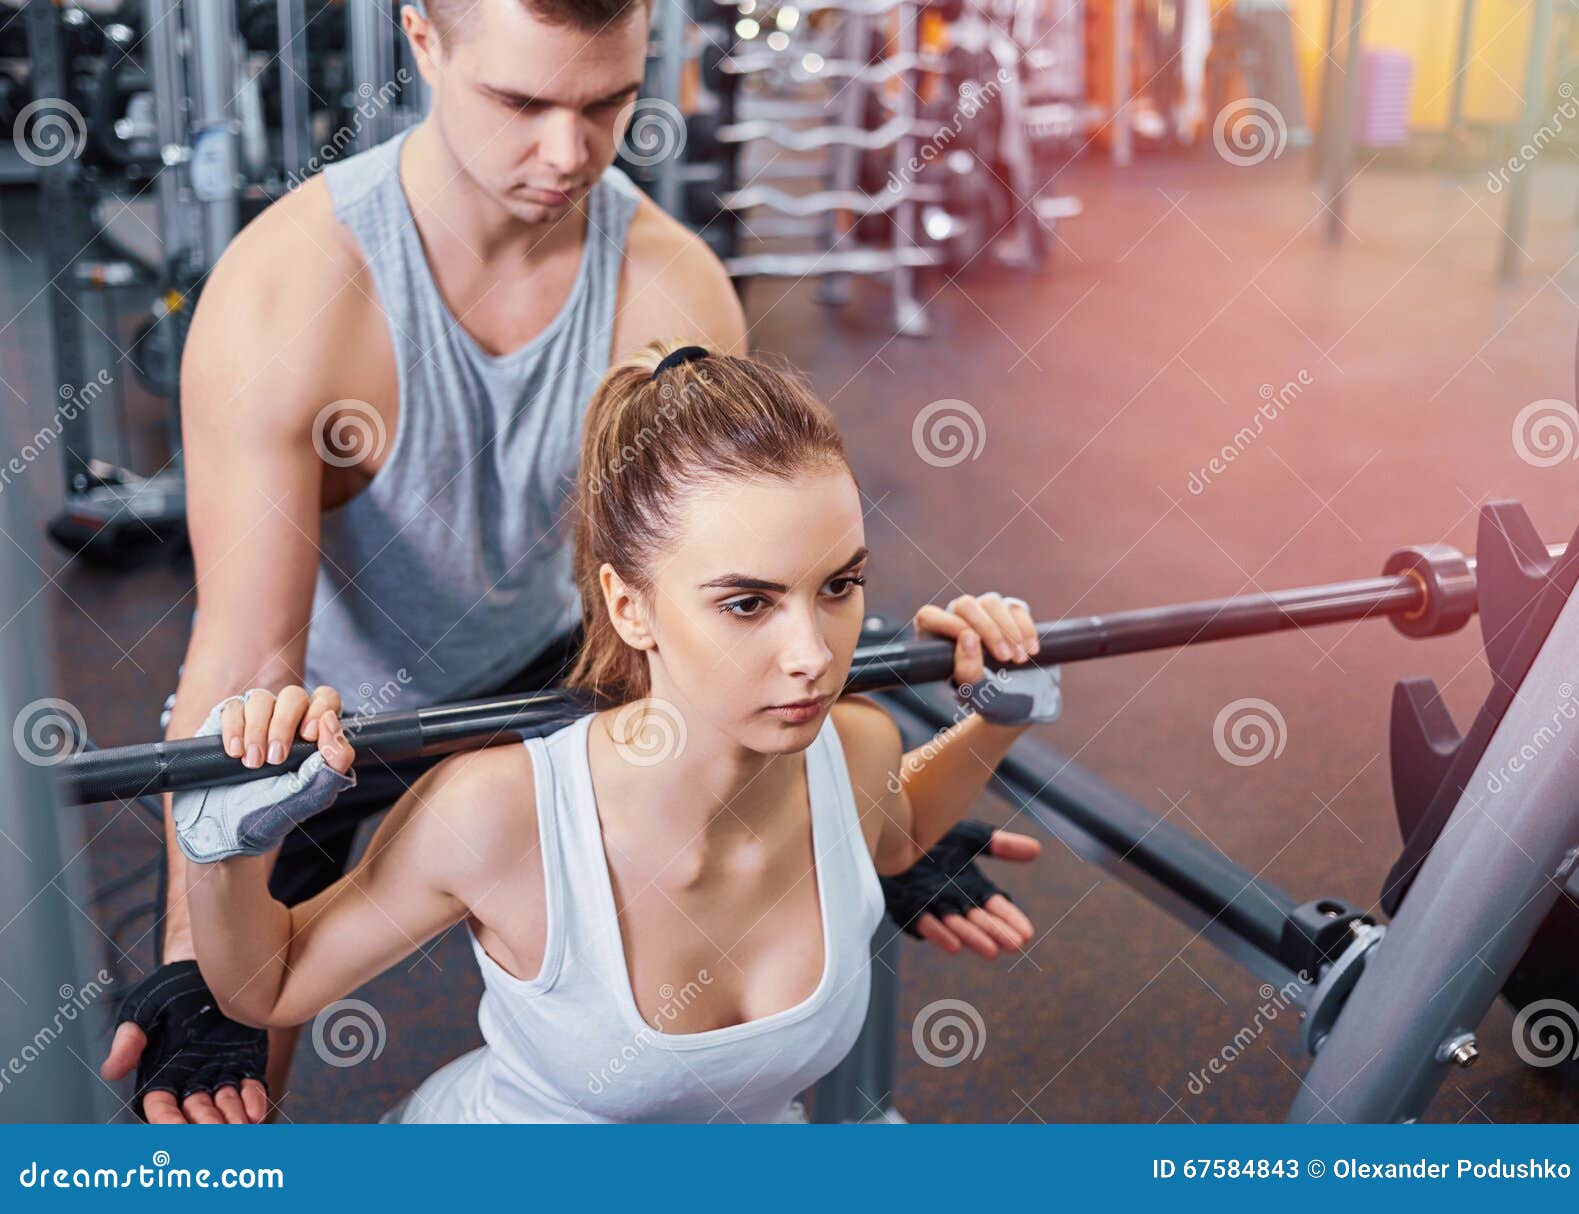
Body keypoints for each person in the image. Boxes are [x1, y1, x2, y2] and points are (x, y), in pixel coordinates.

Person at [101, 0, 1033, 1124]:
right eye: (522, 101)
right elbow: (247, 649)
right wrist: (198, 965)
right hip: (323, 707)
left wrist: (851, 826)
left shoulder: (667, 285)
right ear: (424, 40)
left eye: (606, 104)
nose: (568, 152)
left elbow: (700, 589)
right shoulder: (291, 289)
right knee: (228, 1077)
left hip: (561, 665)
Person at [173, 343, 1061, 1123]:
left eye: (838, 586)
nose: (814, 656)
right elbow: (267, 987)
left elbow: (897, 831)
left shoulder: (857, 751)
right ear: (629, 606)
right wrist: (224, 851)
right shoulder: (499, 813)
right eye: (747, 604)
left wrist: (997, 717)